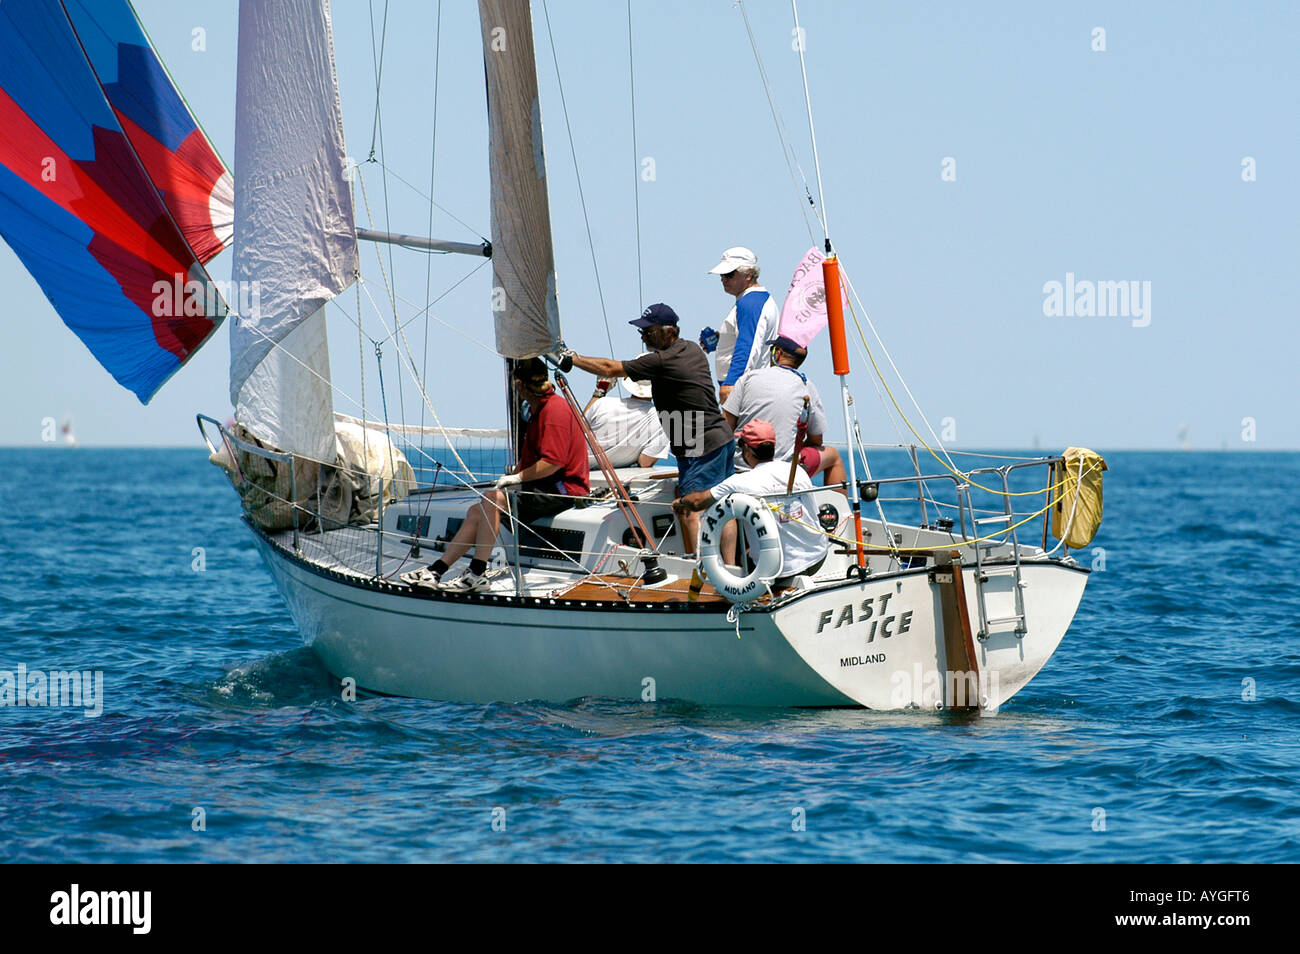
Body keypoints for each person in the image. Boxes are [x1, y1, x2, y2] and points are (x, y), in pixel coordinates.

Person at [401, 358, 589, 593]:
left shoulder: (554, 411)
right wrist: (518, 474)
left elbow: (552, 462)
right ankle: (437, 570)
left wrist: (515, 479)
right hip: (544, 488)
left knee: (492, 498)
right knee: (476, 511)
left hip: (563, 490)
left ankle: (477, 572)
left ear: (518, 385)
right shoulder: (539, 410)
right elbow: (536, 457)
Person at [565, 303, 734, 555]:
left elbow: (610, 369)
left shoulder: (662, 361)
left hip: (698, 445)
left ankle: (704, 574)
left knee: (690, 510)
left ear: (668, 332)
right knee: (723, 508)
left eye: (649, 332)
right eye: (642, 332)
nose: (643, 337)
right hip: (720, 437)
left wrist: (572, 359)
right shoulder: (693, 349)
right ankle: (729, 568)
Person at [672, 419, 830, 589]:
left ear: (746, 449)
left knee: (743, 558)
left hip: (780, 571)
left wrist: (681, 501)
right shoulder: (797, 471)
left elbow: (697, 502)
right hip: (817, 558)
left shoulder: (738, 482)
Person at [722, 334, 847, 494]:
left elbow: (725, 427)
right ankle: (841, 515)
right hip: (787, 470)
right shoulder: (806, 385)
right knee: (834, 456)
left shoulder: (749, 378)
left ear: (777, 353)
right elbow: (817, 439)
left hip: (744, 465)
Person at [705, 247, 779, 404]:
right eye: (722, 275)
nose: (723, 279)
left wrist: (731, 384)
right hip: (750, 388)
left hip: (746, 392)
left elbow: (749, 347)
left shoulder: (751, 303)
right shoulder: (755, 300)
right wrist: (721, 342)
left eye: (729, 274)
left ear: (749, 274)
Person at [585, 368, 670, 469]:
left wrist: (601, 389)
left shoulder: (601, 403)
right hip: (618, 478)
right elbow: (645, 462)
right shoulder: (664, 420)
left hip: (582, 468)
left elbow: (577, 427)